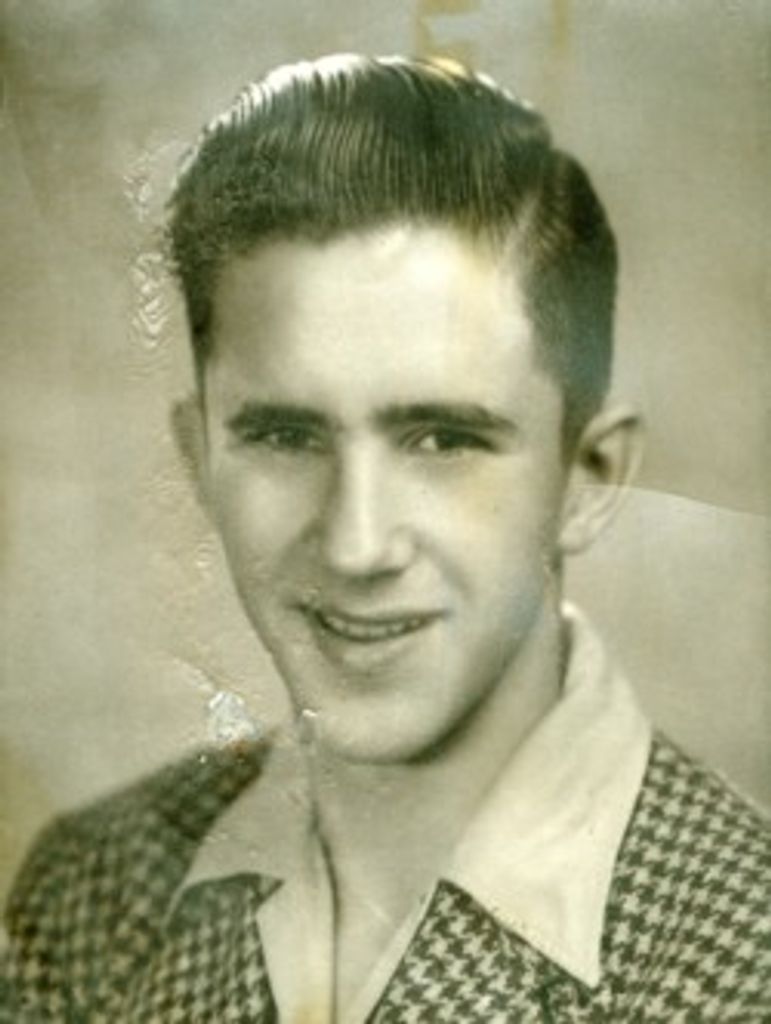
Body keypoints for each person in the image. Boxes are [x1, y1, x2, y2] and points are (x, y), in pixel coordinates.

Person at [2, 54, 768, 1023]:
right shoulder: (88, 897)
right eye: (285, 436)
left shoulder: (745, 955)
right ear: (200, 461)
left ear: (589, 476)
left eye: (443, 439)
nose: (356, 546)